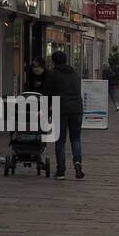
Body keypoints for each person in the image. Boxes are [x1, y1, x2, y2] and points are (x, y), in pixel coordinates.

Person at [46, 50, 84, 179]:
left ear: (53, 61)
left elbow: (48, 93)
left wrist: (47, 112)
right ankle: (77, 162)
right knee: (76, 138)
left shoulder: (53, 74)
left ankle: (61, 171)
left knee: (60, 141)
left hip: (60, 109)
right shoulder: (75, 74)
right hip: (76, 108)